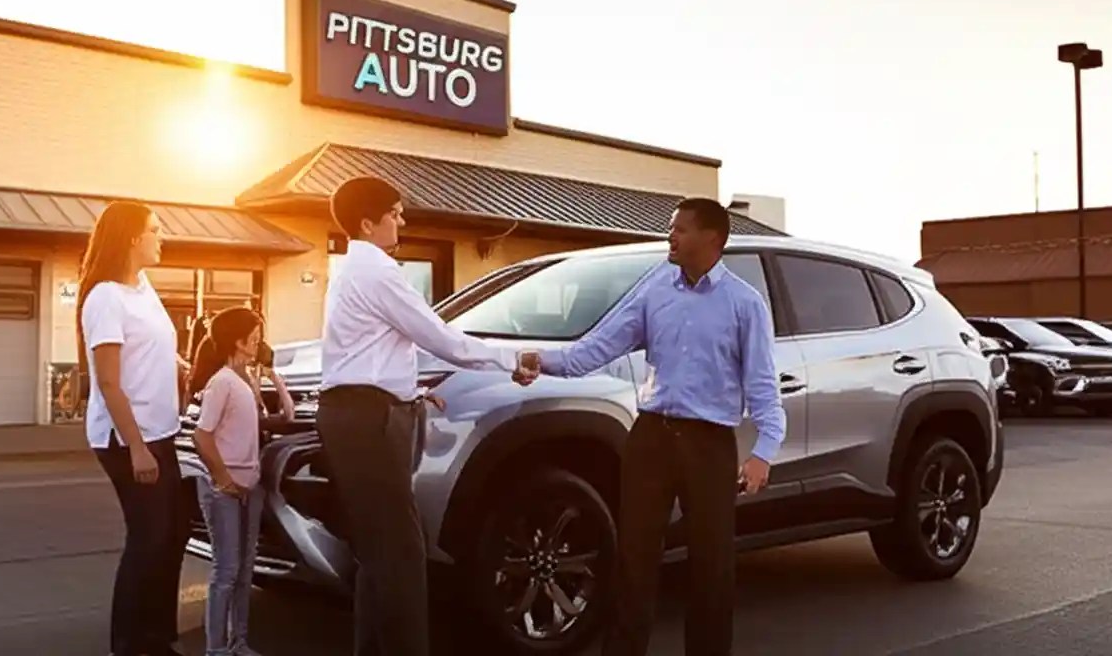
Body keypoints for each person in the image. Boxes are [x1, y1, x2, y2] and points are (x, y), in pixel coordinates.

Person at [524, 197, 786, 656]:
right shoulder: (654, 291)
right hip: (651, 439)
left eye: (680, 229)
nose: (671, 235)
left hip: (709, 445)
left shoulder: (745, 304)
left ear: (712, 239)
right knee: (634, 563)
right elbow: (595, 348)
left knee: (712, 567)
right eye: (672, 227)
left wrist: (763, 450)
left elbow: (763, 385)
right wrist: (538, 361)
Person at [317, 176, 535, 656]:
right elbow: (441, 338)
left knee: (379, 554)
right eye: (394, 213)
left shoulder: (350, 271)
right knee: (400, 552)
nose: (402, 220)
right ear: (366, 223)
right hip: (370, 420)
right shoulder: (377, 273)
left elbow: (374, 350)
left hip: (358, 414)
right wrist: (511, 358)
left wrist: (412, 389)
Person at [76, 200, 187, 656]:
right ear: (131, 238)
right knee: (148, 537)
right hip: (127, 438)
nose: (162, 238)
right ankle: (129, 645)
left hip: (160, 430)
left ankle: (158, 636)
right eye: (155, 230)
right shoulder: (105, 297)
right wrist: (137, 447)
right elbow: (107, 380)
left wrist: (179, 363)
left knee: (175, 529)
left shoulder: (142, 286)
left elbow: (150, 344)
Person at [188, 307, 272, 656]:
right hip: (225, 490)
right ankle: (216, 649)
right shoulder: (221, 382)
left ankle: (238, 642)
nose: (259, 341)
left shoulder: (243, 381)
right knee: (226, 570)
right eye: (254, 335)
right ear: (239, 340)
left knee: (244, 569)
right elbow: (202, 436)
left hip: (247, 488)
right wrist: (223, 479)